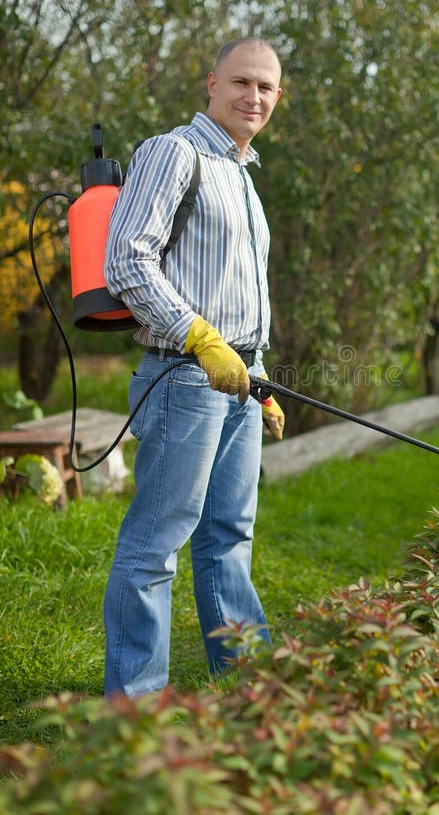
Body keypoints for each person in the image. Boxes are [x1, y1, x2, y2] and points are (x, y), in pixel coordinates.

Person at [102, 37, 285, 697]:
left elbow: (236, 290)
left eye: (265, 87)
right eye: (241, 81)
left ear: (278, 96)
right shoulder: (174, 152)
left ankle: (247, 688)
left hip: (238, 380)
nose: (253, 96)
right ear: (212, 83)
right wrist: (199, 337)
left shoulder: (243, 174)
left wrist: (259, 380)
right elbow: (126, 260)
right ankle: (134, 715)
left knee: (229, 537)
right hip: (183, 375)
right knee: (155, 546)